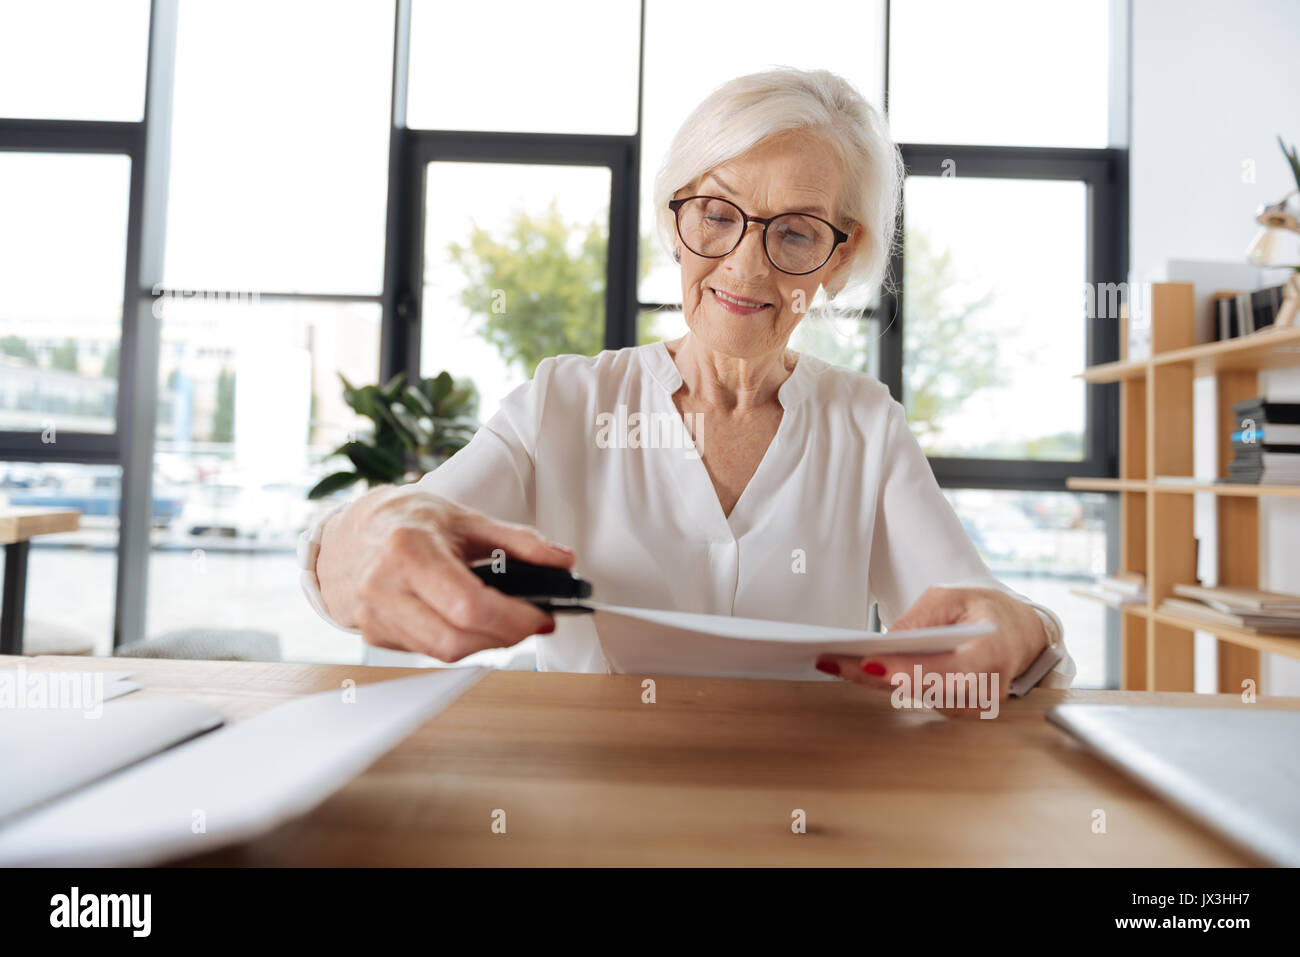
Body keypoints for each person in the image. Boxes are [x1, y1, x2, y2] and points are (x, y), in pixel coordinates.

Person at [298, 66, 1075, 700]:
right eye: (715, 213)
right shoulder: (566, 403)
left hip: (813, 807)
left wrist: (1023, 629)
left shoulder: (865, 424)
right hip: (590, 801)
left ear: (841, 258)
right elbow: (400, 530)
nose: (744, 264)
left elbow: (986, 619)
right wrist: (346, 548)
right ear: (676, 222)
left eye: (796, 232)